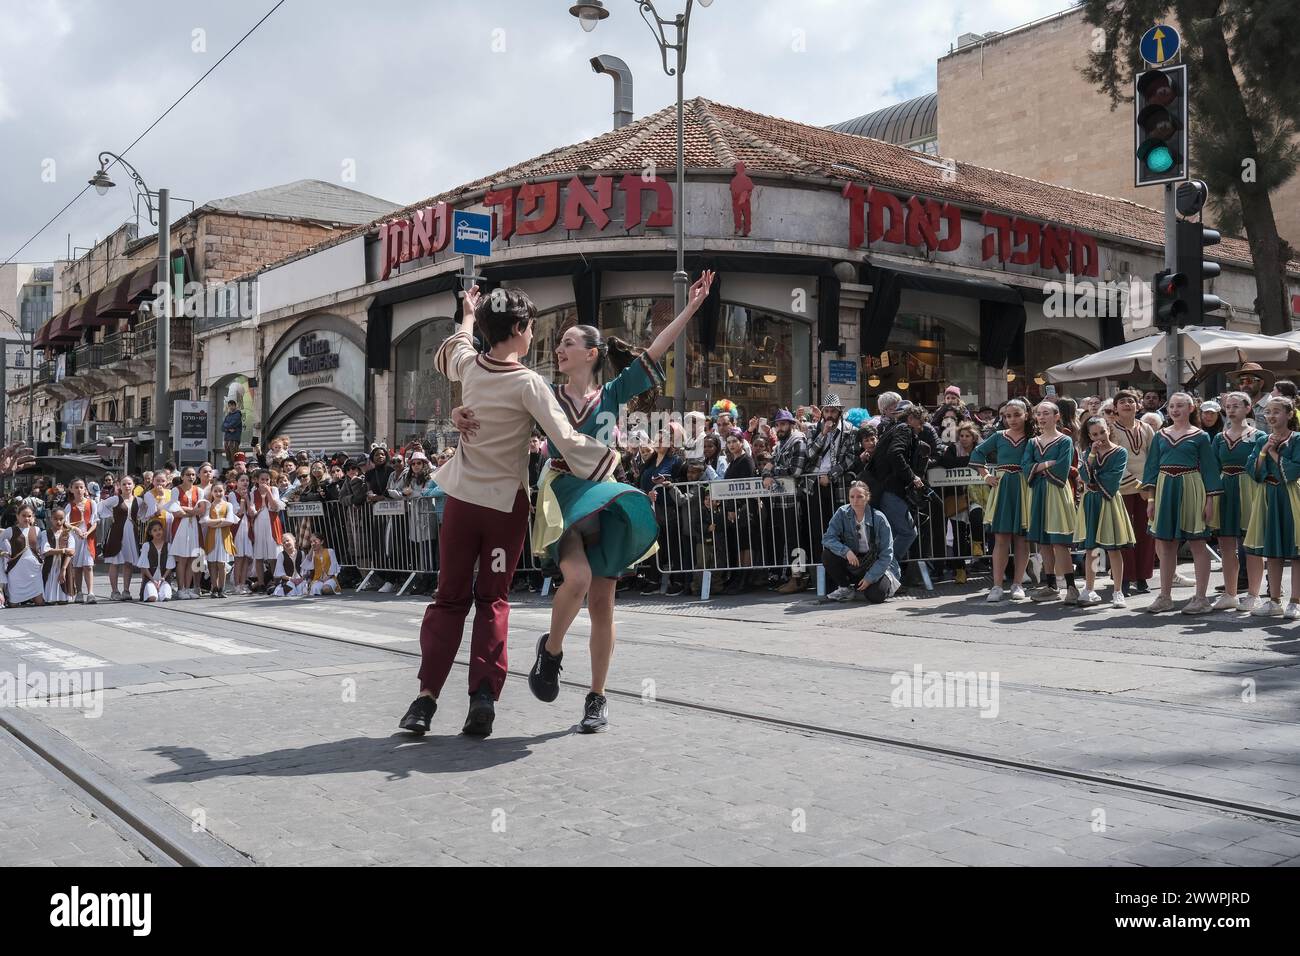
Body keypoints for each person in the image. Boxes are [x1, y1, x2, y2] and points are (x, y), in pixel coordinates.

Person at [451, 276, 707, 733]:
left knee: (604, 603)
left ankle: (597, 697)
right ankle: (551, 651)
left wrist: (689, 308)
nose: (559, 348)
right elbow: (489, 391)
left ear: (591, 354)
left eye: (569, 342)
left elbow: (656, 349)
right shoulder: (539, 389)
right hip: (563, 495)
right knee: (578, 577)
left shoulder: (611, 394)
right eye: (558, 343)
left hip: (604, 494)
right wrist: (458, 412)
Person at [398, 284, 620, 741]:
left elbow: (456, 347)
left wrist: (465, 313)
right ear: (519, 330)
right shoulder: (529, 383)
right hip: (504, 509)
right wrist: (612, 467)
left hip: (460, 500)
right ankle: (483, 695)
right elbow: (567, 441)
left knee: (448, 598)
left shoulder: (470, 367)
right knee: (492, 600)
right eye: (532, 328)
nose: (534, 336)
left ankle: (425, 700)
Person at [1141, 392, 1222, 614]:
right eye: (1172, 406)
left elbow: (1209, 469)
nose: (1175, 410)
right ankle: (1165, 597)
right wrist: (1151, 499)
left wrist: (1209, 501)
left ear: (1191, 409)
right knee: (1166, 545)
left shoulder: (1201, 436)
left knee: (1197, 543)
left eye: (1180, 406)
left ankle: (1201, 598)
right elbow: (1151, 468)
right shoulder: (1160, 435)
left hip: (1192, 488)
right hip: (1165, 487)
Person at [1244, 395, 1300, 617]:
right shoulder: (1262, 440)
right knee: (1273, 551)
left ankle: (1295, 601)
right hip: (1268, 495)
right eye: (1268, 412)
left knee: (1296, 551)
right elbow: (1253, 471)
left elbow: (1294, 471)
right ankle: (1274, 600)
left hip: (1291, 496)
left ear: (1288, 414)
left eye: (1277, 411)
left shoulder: (1297, 439)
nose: (1272, 416)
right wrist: (1265, 449)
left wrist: (1274, 452)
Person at [971, 398, 1032, 601]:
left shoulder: (1033, 437)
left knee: (1022, 539)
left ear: (1026, 415)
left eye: (1016, 415)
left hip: (1025, 487)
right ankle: (997, 586)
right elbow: (978, 453)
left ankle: (1017, 584)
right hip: (1004, 487)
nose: (1012, 419)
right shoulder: (998, 436)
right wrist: (986, 475)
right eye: (1007, 415)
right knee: (1001, 538)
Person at [1210, 392, 1264, 612]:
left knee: (1251, 544)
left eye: (1236, 406)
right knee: (1226, 544)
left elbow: (1261, 467)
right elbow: (1213, 468)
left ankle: (1254, 594)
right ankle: (1230, 593)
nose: (1231, 410)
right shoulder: (1219, 438)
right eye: (1228, 406)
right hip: (1225, 488)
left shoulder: (1258, 436)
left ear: (1247, 408)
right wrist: (1210, 498)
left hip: (1249, 487)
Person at [1074, 416, 1134, 608]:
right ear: (1089, 436)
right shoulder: (1086, 453)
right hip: (1091, 501)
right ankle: (1089, 589)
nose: (1099, 437)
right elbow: (1083, 476)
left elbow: (1113, 478)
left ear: (1108, 429)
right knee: (1091, 549)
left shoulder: (1120, 452)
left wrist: (1092, 475)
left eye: (1102, 431)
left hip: (1109, 500)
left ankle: (1118, 591)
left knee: (1113, 548)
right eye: (1094, 434)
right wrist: (1091, 457)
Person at [868, 402, 930, 591]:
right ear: (911, 419)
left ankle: (887, 573)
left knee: (893, 534)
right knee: (907, 532)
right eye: (920, 423)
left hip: (885, 489)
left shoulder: (895, 429)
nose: (921, 428)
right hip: (890, 490)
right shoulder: (904, 430)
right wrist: (912, 477)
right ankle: (885, 569)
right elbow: (896, 453)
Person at [1023, 401, 1079, 603]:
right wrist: (1046, 464)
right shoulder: (1032, 442)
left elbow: (1063, 468)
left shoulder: (1065, 440)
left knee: (1059, 541)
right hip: (1038, 492)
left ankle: (1071, 587)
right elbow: (1025, 466)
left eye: (1046, 413)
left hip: (1056, 491)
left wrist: (1037, 468)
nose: (1041, 417)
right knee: (1043, 541)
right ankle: (1051, 585)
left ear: (1056, 416)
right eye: (1038, 414)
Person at [1110, 389, 1157, 596]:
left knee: (1145, 533)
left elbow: (1154, 456)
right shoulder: (1111, 429)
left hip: (1146, 487)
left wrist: (1150, 483)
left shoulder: (1146, 427)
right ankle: (1125, 578)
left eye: (1131, 401)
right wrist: (1137, 484)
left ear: (1138, 405)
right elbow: (1113, 459)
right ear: (1115, 407)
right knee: (1123, 534)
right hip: (1122, 487)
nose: (1127, 404)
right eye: (1122, 402)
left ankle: (1142, 577)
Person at [821, 481, 898, 602]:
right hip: (855, 561)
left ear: (867, 498)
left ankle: (884, 585)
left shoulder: (879, 518)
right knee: (828, 554)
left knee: (875, 596)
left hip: (877, 563)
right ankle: (845, 588)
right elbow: (828, 538)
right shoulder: (842, 513)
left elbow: (886, 555)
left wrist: (870, 577)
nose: (855, 500)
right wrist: (845, 551)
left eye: (860, 497)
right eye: (852, 497)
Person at [764, 408, 811, 593]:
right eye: (778, 424)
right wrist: (769, 471)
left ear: (791, 425)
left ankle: (798, 578)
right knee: (785, 539)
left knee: (795, 539)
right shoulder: (779, 445)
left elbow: (795, 471)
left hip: (794, 499)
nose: (780, 427)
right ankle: (791, 576)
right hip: (780, 499)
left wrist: (772, 472)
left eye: (783, 424)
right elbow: (768, 465)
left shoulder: (798, 441)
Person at [99, 475, 141, 601]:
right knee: (115, 562)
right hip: (117, 532)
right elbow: (101, 506)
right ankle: (114, 591)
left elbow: (144, 512)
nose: (127, 486)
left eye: (129, 484)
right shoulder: (115, 499)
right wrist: (110, 515)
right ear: (120, 486)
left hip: (131, 532)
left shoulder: (138, 501)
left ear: (133, 485)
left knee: (128, 562)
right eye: (124, 484)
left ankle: (126, 590)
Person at [170, 466, 205, 599]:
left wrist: (185, 509)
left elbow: (201, 510)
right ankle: (181, 588)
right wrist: (191, 511)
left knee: (192, 557)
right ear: (182, 476)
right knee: (182, 559)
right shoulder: (175, 490)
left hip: (194, 526)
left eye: (193, 475)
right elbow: (175, 510)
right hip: (181, 527)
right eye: (188, 475)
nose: (191, 477)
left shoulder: (199, 491)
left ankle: (188, 587)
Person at [1, 505, 47, 606]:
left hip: (33, 571)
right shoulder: (10, 530)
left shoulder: (37, 530)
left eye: (29, 516)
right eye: (24, 516)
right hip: (16, 571)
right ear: (17, 516)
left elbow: (43, 545)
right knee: (13, 605)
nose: (27, 518)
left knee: (40, 602)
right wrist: (3, 552)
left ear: (33, 517)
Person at [202, 480, 237, 598]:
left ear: (224, 491)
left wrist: (214, 523)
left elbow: (230, 520)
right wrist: (221, 521)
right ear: (212, 492)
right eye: (215, 491)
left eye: (220, 491)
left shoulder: (228, 505)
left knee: (221, 564)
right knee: (212, 564)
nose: (218, 493)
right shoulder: (208, 505)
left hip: (224, 536)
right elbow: (206, 521)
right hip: (212, 537)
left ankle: (221, 588)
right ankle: (214, 587)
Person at [65, 479, 98, 604]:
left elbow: (95, 522)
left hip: (88, 538)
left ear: (85, 489)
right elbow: (65, 522)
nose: (79, 490)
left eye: (81, 487)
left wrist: (87, 533)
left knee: (88, 566)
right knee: (77, 567)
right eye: (76, 487)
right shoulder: (70, 505)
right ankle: (79, 592)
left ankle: (90, 593)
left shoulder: (92, 503)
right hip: (75, 538)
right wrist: (76, 530)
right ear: (71, 489)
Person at [136, 518, 175, 603]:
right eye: (155, 530)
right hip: (150, 579)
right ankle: (152, 591)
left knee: (166, 598)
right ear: (150, 533)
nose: (158, 532)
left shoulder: (168, 546)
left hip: (163, 579)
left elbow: (170, 566)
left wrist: (162, 579)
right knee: (152, 598)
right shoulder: (146, 546)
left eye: (159, 529)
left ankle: (161, 590)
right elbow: (144, 567)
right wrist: (153, 581)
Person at [41, 508, 74, 605]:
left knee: (63, 598)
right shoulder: (45, 534)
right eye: (55, 519)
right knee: (50, 578)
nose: (58, 522)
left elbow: (71, 552)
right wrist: (63, 550)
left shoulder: (68, 534)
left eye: (61, 519)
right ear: (51, 519)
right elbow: (46, 551)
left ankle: (63, 596)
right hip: (50, 565)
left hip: (64, 564)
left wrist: (63, 569)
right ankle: (50, 596)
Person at [1228, 363, 1273, 431]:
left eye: (1249, 380)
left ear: (1261, 383)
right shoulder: (1232, 406)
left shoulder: (1273, 405)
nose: (1245, 385)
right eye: (1241, 381)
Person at [270, 533, 308, 597]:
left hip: (300, 580)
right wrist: (291, 579)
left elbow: (305, 569)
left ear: (294, 540)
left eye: (288, 540)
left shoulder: (301, 553)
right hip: (288, 581)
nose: (286, 543)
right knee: (291, 590)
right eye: (284, 542)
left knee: (303, 590)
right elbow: (280, 573)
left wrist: (301, 579)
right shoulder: (281, 555)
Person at [222, 400, 243, 468]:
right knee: (228, 457)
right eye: (229, 406)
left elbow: (233, 424)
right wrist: (228, 429)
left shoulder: (237, 415)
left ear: (235, 406)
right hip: (227, 438)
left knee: (234, 457)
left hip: (234, 439)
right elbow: (222, 427)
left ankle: (236, 470)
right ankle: (230, 471)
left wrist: (227, 427)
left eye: (232, 405)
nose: (230, 407)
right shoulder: (228, 415)